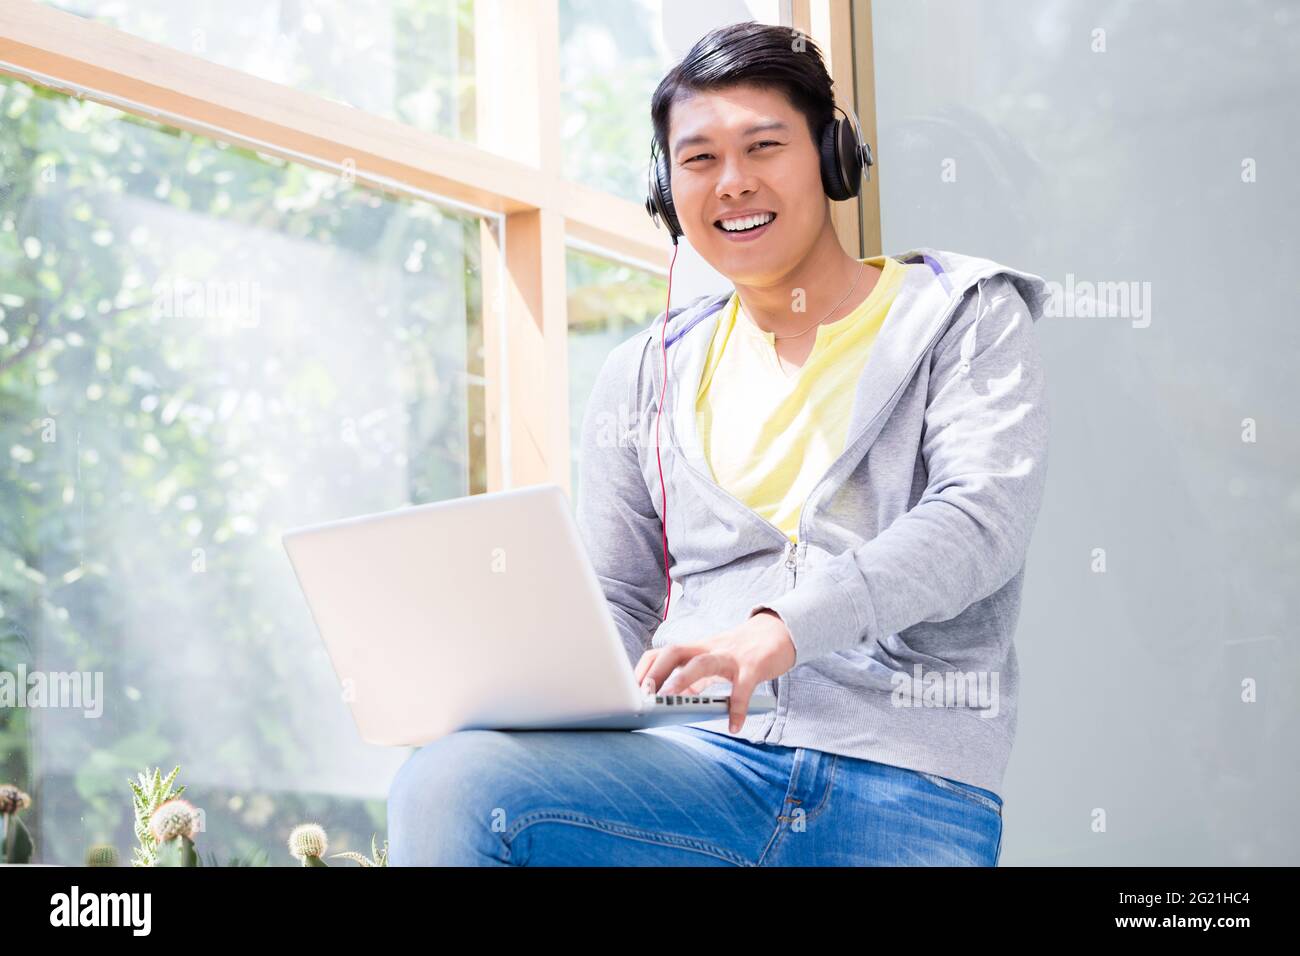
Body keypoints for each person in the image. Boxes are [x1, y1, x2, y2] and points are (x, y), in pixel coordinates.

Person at [387, 20, 1050, 866]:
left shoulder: (964, 316)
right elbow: (621, 601)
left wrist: (782, 627)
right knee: (455, 782)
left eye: (763, 147)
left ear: (834, 159)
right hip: (694, 768)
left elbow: (979, 522)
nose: (732, 183)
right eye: (699, 160)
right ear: (668, 193)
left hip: (901, 780)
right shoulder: (644, 375)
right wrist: (512, 688)